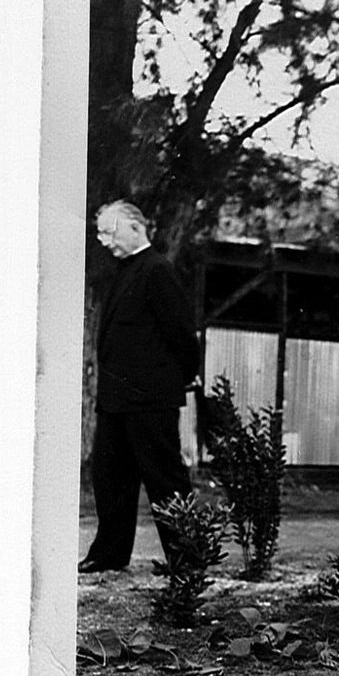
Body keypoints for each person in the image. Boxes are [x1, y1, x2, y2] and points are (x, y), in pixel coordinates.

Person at [79, 200, 201, 574]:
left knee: (164, 479)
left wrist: (177, 380)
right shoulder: (124, 271)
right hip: (116, 400)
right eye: (100, 233)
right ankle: (109, 555)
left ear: (135, 227)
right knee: (110, 477)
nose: (103, 241)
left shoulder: (158, 271)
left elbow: (182, 334)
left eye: (109, 231)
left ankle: (188, 559)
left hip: (150, 399)